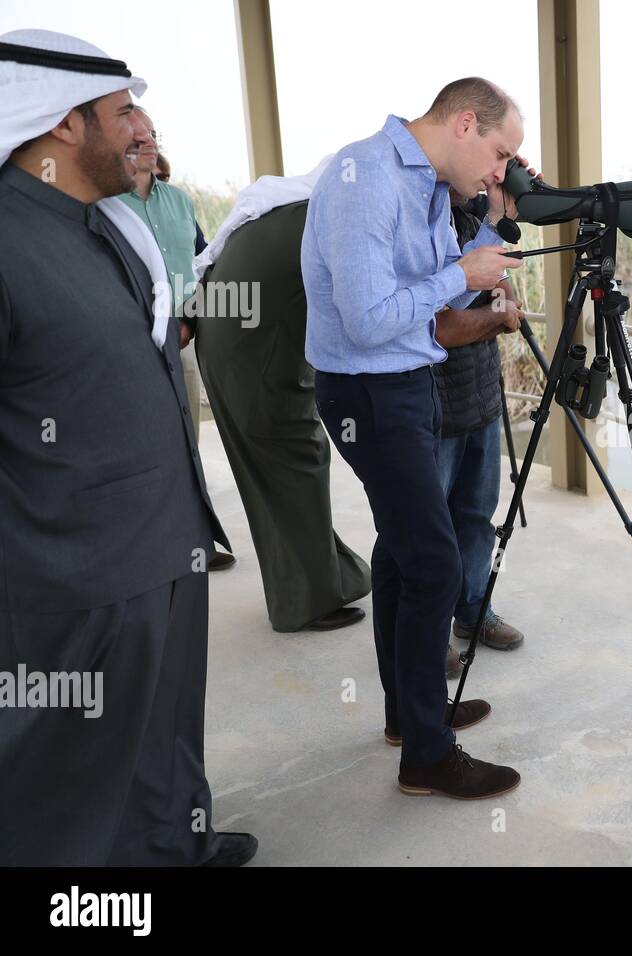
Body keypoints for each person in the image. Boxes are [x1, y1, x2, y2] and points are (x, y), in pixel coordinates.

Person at [0, 29, 254, 866]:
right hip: (74, 573)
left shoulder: (105, 225)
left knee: (163, 729)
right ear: (64, 125)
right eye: (120, 114)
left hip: (163, 542)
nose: (137, 130)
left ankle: (171, 845)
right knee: (72, 769)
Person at [303, 77, 529, 799]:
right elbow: (371, 318)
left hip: (406, 381)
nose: (501, 169)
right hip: (366, 391)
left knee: (405, 557)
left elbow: (444, 297)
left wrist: (499, 222)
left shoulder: (432, 188)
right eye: (501, 154)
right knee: (432, 562)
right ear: (465, 122)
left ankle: (411, 714)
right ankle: (426, 757)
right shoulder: (365, 176)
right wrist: (460, 270)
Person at [193, 160, 372, 632]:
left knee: (281, 470)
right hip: (254, 358)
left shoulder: (293, 210)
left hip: (237, 346)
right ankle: (305, 603)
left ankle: (329, 578)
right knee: (296, 458)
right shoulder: (324, 221)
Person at [118, 107, 235, 570]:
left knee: (186, 440)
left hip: (183, 337)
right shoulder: (105, 207)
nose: (149, 140)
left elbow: (204, 261)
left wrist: (192, 319)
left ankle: (196, 543)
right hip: (132, 341)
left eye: (153, 133)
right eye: (138, 133)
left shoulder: (180, 201)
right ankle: (155, 547)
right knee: (143, 444)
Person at [434, 192, 527, 664]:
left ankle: (474, 609)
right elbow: (440, 325)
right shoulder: (422, 218)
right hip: (435, 404)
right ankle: (429, 636)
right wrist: (491, 317)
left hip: (483, 398)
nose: (493, 173)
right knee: (429, 526)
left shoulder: (477, 221)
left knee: (476, 515)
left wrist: (500, 219)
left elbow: (510, 300)